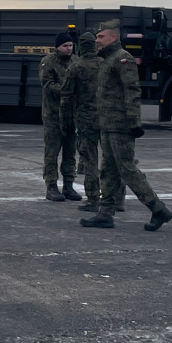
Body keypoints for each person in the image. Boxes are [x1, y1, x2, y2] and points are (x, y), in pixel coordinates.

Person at [80, 20, 172, 231]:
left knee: (127, 170)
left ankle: (158, 209)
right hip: (107, 125)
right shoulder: (107, 59)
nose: (97, 41)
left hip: (120, 126)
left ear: (113, 37)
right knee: (108, 171)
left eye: (101, 37)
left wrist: (133, 122)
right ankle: (105, 213)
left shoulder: (123, 59)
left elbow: (132, 90)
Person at [38, 31, 81, 202]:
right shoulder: (48, 62)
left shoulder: (76, 62)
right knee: (52, 152)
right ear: (58, 47)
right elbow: (47, 84)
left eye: (71, 45)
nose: (69, 48)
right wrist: (66, 90)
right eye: (65, 46)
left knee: (70, 153)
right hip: (54, 115)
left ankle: (69, 185)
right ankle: (51, 186)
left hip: (72, 115)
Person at [63, 32, 103, 212]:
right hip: (106, 117)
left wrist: (65, 120)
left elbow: (67, 97)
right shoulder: (105, 64)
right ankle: (116, 198)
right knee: (111, 159)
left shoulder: (76, 66)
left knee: (89, 159)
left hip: (86, 119)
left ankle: (93, 198)